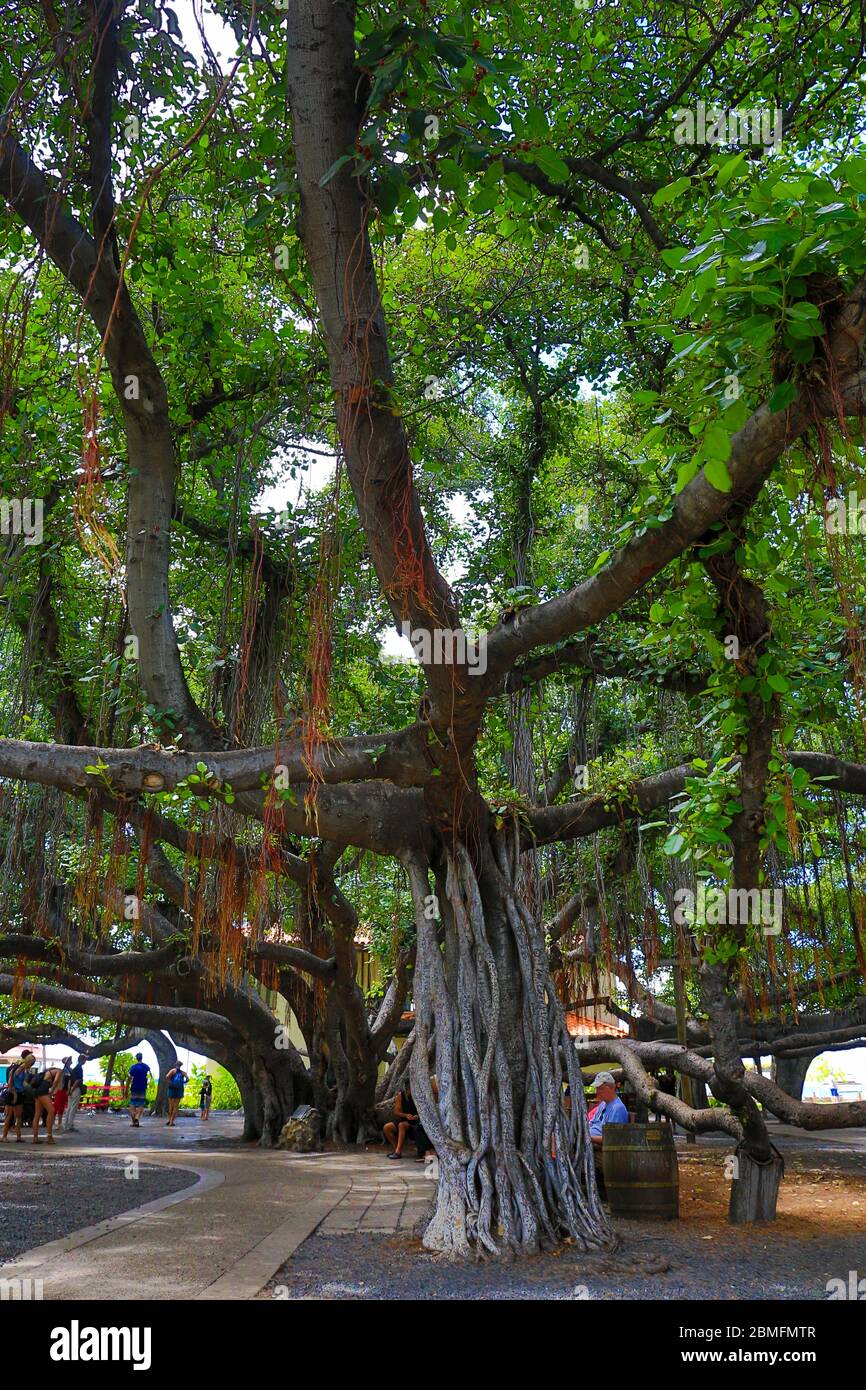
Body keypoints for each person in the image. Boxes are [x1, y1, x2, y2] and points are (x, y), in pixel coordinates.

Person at [1, 1049, 34, 1142]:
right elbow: (10, 1081)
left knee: (19, 1116)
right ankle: (4, 1136)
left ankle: (18, 1136)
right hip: (12, 1093)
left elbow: (22, 1082)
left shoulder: (24, 1070)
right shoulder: (18, 1068)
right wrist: (14, 1094)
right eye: (31, 1063)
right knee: (9, 1116)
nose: (31, 1065)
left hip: (20, 1093)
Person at [383, 1086, 419, 1159]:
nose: (408, 1091)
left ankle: (398, 1152)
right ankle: (396, 1149)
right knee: (387, 1127)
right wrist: (406, 1115)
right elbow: (396, 1111)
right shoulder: (400, 1095)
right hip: (405, 1118)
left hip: (416, 1120)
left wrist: (417, 1116)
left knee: (401, 1125)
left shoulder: (419, 1094)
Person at [61, 1054, 86, 1132]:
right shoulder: (79, 1069)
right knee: (73, 1108)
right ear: (82, 1060)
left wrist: (69, 1089)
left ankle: (66, 1124)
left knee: (69, 1107)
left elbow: (70, 1080)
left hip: (71, 1088)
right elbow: (77, 1080)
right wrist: (72, 1089)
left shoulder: (73, 1069)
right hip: (75, 1089)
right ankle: (69, 1125)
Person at [127, 1053, 152, 1128]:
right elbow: (150, 1075)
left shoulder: (133, 1067)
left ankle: (133, 1121)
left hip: (134, 1087)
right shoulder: (146, 1066)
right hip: (143, 1087)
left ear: (136, 1058)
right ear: (142, 1058)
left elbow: (129, 1075)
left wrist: (131, 1079)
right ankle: (137, 1118)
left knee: (132, 1104)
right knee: (141, 1104)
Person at [51, 1056, 72, 1129]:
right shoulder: (62, 1071)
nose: (71, 1062)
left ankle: (59, 1123)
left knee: (62, 1107)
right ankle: (53, 1122)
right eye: (69, 1060)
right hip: (60, 1090)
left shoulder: (70, 1071)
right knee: (56, 1106)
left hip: (65, 1090)